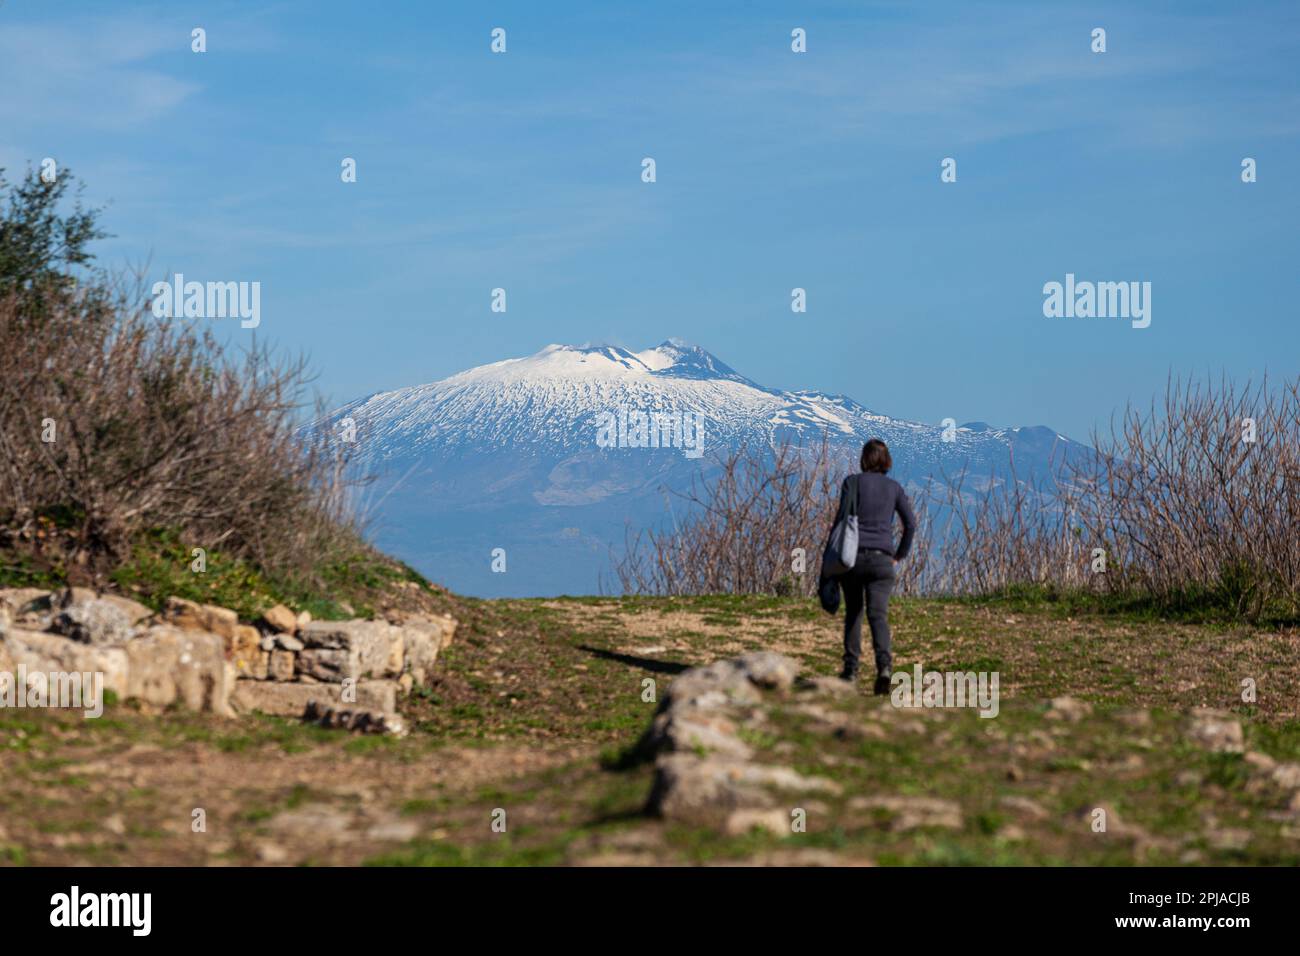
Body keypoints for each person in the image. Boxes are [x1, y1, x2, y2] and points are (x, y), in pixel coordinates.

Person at [834, 438, 916, 694]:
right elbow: (911, 524)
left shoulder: (852, 483)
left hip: (853, 559)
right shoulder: (894, 488)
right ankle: (884, 667)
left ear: (863, 459)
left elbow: (841, 520)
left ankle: (850, 670)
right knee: (878, 615)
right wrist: (898, 555)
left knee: (854, 613)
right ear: (887, 460)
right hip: (882, 560)